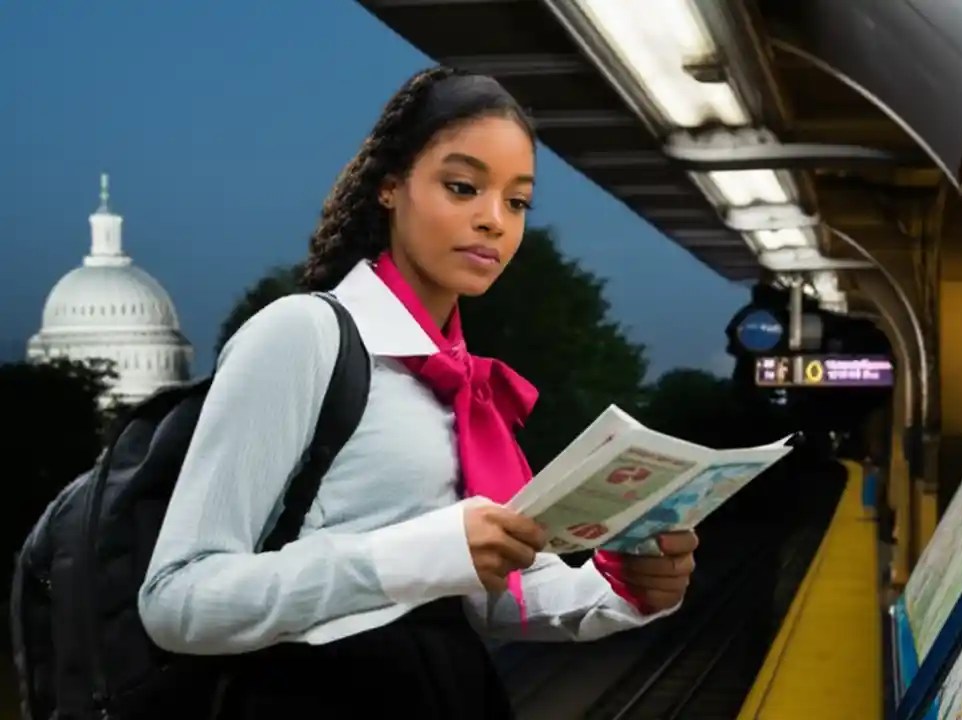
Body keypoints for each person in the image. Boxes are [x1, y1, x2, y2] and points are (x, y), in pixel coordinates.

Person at [136, 66, 697, 719]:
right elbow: (178, 601)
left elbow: (486, 601)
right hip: (313, 700)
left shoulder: (461, 382)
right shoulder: (301, 335)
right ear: (390, 188)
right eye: (463, 187)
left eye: (517, 202)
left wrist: (621, 588)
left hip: (451, 692)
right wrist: (416, 553)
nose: (494, 221)